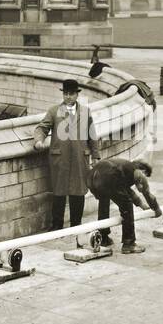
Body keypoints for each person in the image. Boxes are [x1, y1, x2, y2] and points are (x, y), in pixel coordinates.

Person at [33, 78, 99, 229]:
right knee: (59, 193)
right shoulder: (54, 111)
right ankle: (57, 226)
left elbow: (92, 135)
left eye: (71, 94)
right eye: (66, 94)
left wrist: (96, 156)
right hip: (59, 159)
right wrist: (38, 141)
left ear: (77, 95)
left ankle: (77, 225)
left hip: (79, 158)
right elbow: (42, 128)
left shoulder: (85, 112)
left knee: (78, 192)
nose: (68, 97)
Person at [90, 156, 161, 253]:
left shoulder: (125, 168)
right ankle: (129, 243)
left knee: (104, 201)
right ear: (143, 171)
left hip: (92, 178)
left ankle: (103, 237)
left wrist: (142, 205)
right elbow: (146, 192)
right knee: (127, 204)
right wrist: (156, 209)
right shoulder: (138, 173)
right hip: (108, 177)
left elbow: (126, 189)